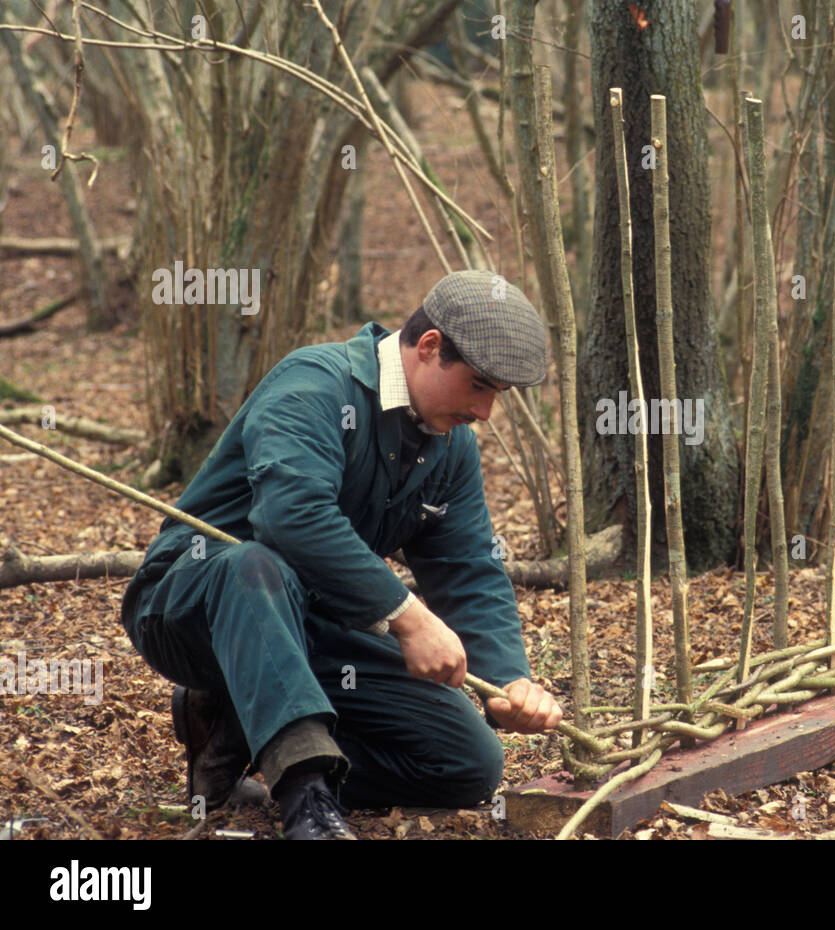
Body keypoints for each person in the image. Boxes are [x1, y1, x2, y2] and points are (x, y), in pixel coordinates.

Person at [120, 270, 563, 839]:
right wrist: (409, 617)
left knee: (468, 763)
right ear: (429, 348)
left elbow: (470, 568)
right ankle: (307, 799)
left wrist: (508, 683)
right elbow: (290, 518)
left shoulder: (451, 447)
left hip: (318, 621)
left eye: (497, 394)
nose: (486, 412)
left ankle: (236, 723)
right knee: (256, 563)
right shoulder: (313, 385)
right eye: (479, 386)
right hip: (194, 604)